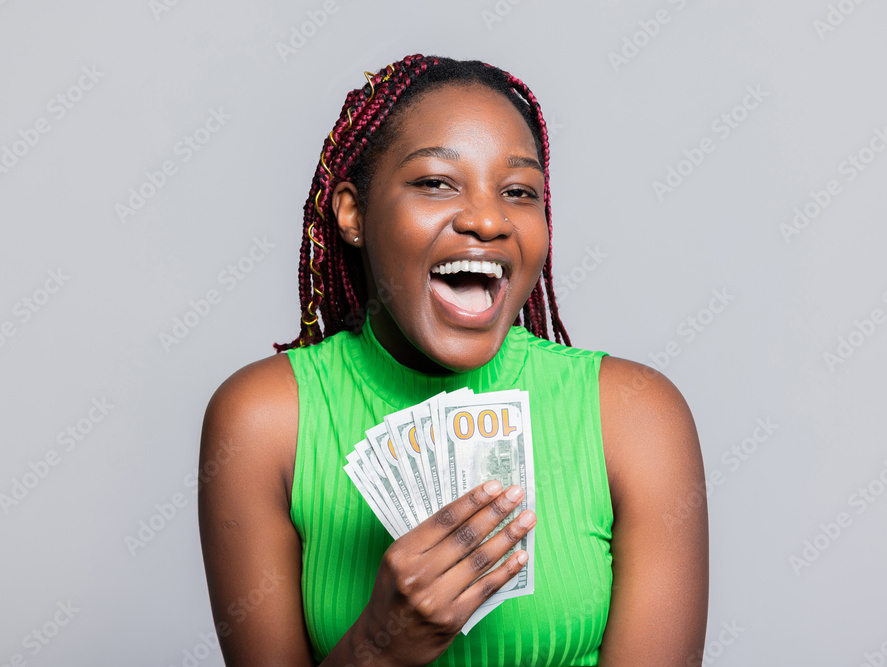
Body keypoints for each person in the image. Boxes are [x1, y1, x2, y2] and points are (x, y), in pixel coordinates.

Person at [198, 54, 709, 666]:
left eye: (518, 192)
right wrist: (380, 649)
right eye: (436, 183)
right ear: (353, 213)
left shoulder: (636, 417)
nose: (489, 220)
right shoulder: (263, 422)